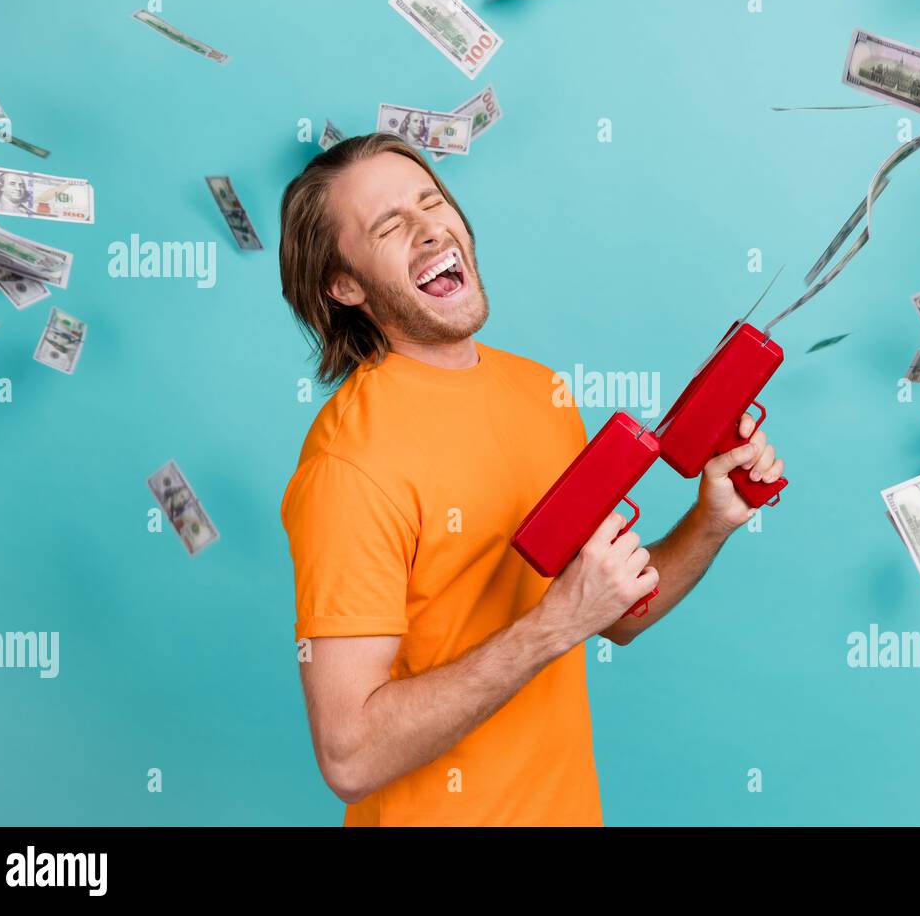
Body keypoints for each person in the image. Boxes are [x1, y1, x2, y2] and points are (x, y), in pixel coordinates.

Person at [277, 133, 785, 826]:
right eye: (390, 226)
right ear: (345, 285)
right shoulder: (349, 464)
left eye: (432, 202)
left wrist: (712, 519)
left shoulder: (539, 392)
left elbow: (613, 616)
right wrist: (551, 628)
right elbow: (350, 758)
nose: (429, 231)